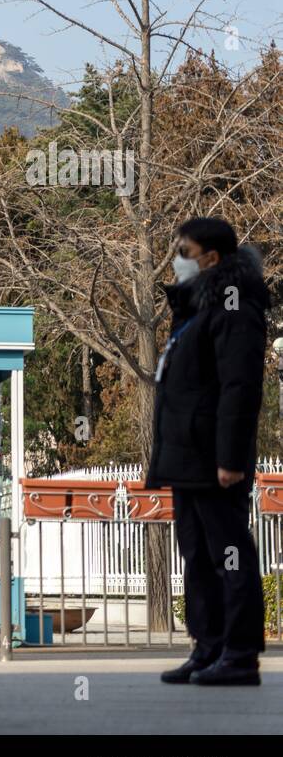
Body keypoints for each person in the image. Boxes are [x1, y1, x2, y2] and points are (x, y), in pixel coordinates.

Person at [150, 218, 268, 687]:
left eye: (185, 249)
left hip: (214, 458)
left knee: (230, 554)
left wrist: (230, 458)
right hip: (187, 456)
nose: (178, 255)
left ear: (211, 257)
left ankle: (239, 654)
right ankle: (209, 645)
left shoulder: (234, 304)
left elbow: (239, 385)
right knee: (197, 554)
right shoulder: (196, 305)